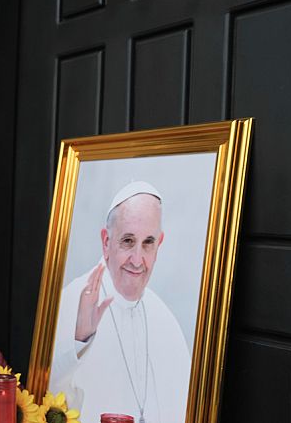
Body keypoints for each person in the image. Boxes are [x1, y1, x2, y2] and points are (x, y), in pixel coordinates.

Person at [49, 181, 190, 423]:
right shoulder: (71, 301)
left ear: (159, 244)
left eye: (148, 243)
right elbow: (44, 398)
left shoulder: (164, 318)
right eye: (128, 241)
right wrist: (79, 340)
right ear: (106, 241)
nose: (137, 260)